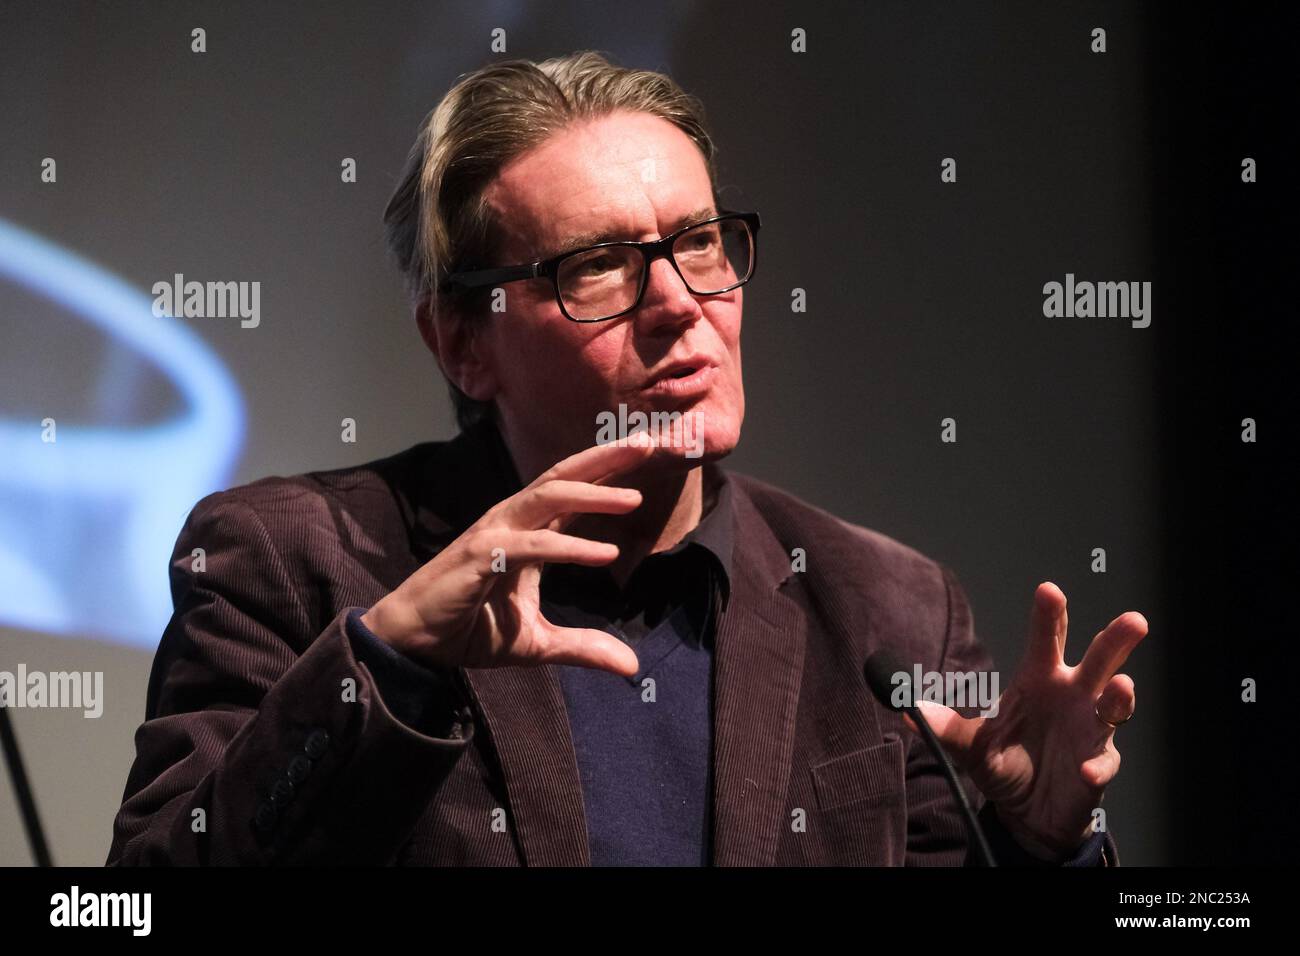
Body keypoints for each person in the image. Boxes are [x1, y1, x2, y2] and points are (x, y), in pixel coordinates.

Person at [107, 50, 1146, 866]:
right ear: (462, 343)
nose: (678, 304)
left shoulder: (888, 608)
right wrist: (387, 666)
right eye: (598, 265)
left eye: (699, 242)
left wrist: (1041, 847)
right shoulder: (298, 564)